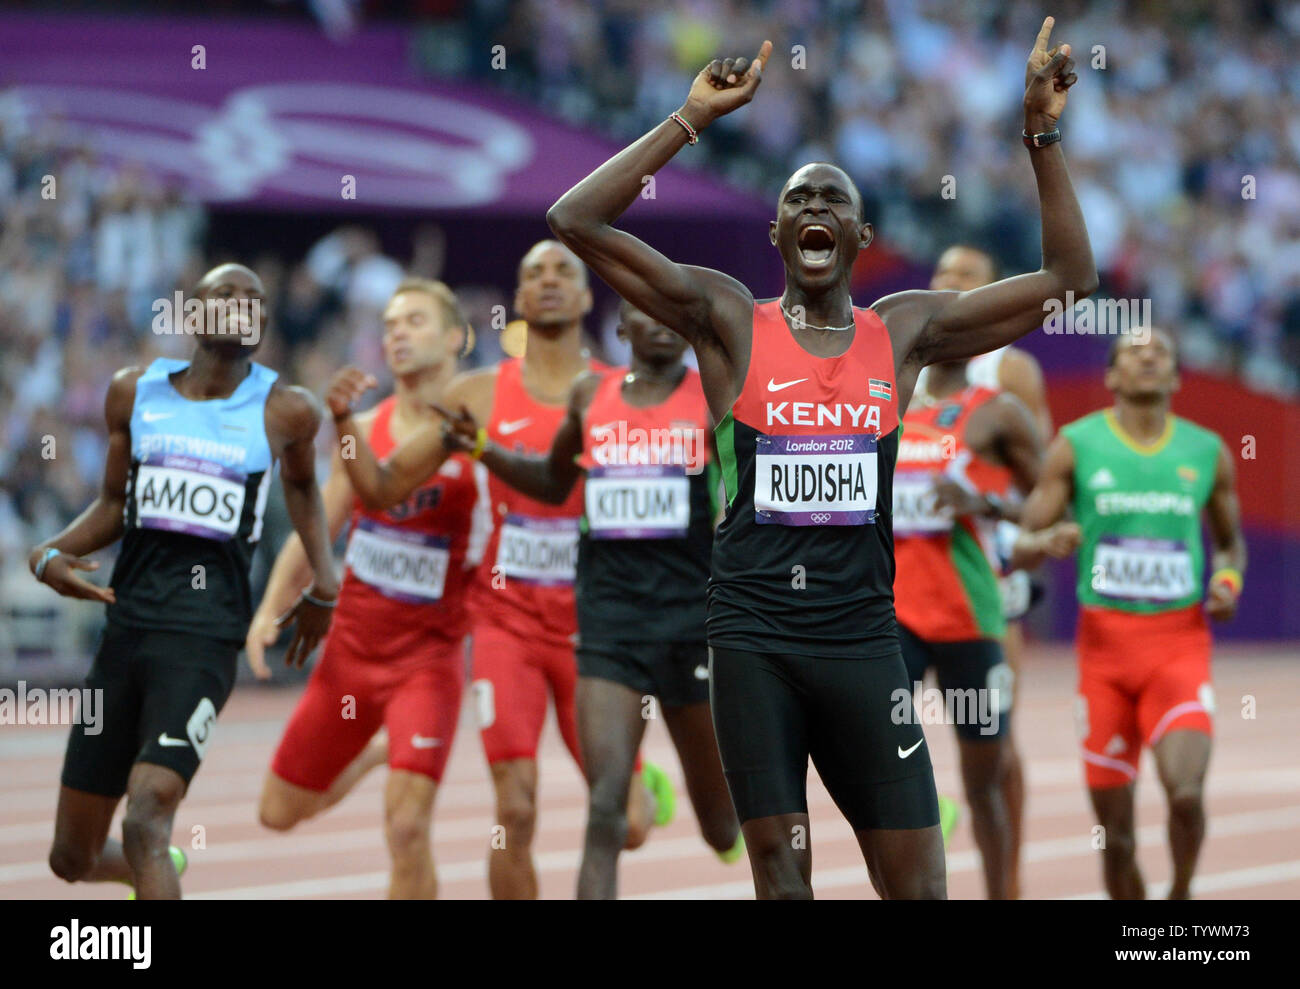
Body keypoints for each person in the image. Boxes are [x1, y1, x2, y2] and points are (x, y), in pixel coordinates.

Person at [542, 17, 1095, 898]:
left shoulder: (906, 330)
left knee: (919, 886)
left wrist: (1040, 132)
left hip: (863, 640)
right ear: (775, 236)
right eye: (797, 199)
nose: (813, 210)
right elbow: (574, 217)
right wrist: (689, 119)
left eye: (832, 200)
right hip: (753, 641)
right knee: (782, 876)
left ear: (860, 237)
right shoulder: (726, 319)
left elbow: (1070, 281)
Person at [324, 241, 665, 899]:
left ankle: (643, 783)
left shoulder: (622, 395)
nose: (547, 280)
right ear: (519, 295)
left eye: (564, 270)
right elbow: (386, 485)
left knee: (626, 822)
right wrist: (341, 424)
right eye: (532, 271)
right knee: (515, 806)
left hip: (595, 631)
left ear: (588, 296)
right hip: (505, 625)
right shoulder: (477, 394)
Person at [33, 263, 339, 899]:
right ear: (191, 315)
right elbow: (115, 503)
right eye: (224, 295)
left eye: (254, 299)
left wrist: (325, 583)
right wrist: (51, 554)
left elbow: (306, 488)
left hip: (203, 640)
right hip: (126, 632)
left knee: (145, 816)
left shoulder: (288, 410)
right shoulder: (132, 392)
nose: (241, 305)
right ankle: (160, 869)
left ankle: (152, 867)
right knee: (71, 856)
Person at [440, 299, 743, 898]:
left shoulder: (713, 399)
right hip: (608, 627)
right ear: (622, 328)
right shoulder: (589, 398)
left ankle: (719, 816)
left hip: (692, 627)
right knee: (605, 805)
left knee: (723, 824)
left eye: (671, 312)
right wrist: (483, 450)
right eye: (645, 312)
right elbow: (554, 484)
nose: (659, 321)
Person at [248, 279, 485, 899]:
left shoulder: (478, 440)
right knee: (276, 813)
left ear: (456, 337)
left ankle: (399, 751)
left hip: (427, 664)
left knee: (406, 828)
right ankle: (381, 751)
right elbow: (315, 533)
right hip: (349, 657)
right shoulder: (363, 429)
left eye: (413, 320)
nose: (396, 333)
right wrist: (269, 610)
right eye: (388, 324)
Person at [1014, 328, 1245, 899]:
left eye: (1160, 352)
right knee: (1115, 838)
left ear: (1175, 377)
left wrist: (1227, 579)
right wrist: (1047, 542)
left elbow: (1230, 542)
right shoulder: (1074, 445)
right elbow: (1020, 539)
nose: (1148, 357)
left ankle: (1181, 895)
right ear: (1112, 376)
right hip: (1104, 659)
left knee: (1185, 792)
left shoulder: (1207, 451)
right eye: (1134, 352)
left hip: (1179, 649)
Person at [909, 244, 1046, 895]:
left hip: (984, 581)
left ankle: (1005, 880)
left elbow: (1046, 492)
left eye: (967, 278)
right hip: (896, 599)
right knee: (879, 748)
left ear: (994, 295)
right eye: (942, 274)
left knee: (994, 750)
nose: (950, 285)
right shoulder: (900, 377)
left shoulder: (1009, 375)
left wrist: (989, 508)